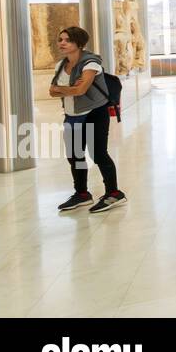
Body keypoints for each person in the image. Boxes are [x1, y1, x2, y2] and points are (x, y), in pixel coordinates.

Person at [50, 26, 126, 214]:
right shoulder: (60, 65)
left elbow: (80, 90)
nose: (62, 43)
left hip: (94, 113)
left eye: (67, 40)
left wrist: (65, 89)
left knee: (98, 153)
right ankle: (82, 194)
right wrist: (70, 88)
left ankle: (114, 193)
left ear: (79, 43)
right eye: (60, 39)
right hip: (71, 115)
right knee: (74, 155)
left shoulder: (91, 63)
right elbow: (51, 91)